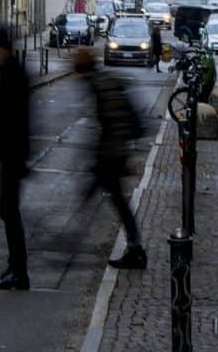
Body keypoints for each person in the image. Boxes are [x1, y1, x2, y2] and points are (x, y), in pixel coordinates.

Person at [75, 45, 148, 270]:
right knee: (115, 199)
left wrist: (115, 156)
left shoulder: (100, 86)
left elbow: (113, 124)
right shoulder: (100, 82)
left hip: (113, 153)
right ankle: (135, 248)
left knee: (117, 200)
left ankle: (136, 250)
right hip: (113, 152)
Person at [0, 24, 35, 291]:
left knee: (9, 211)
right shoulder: (8, 71)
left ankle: (19, 272)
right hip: (10, 154)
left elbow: (15, 119)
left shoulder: (13, 73)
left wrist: (14, 155)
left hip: (11, 155)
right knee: (7, 210)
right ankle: (15, 267)